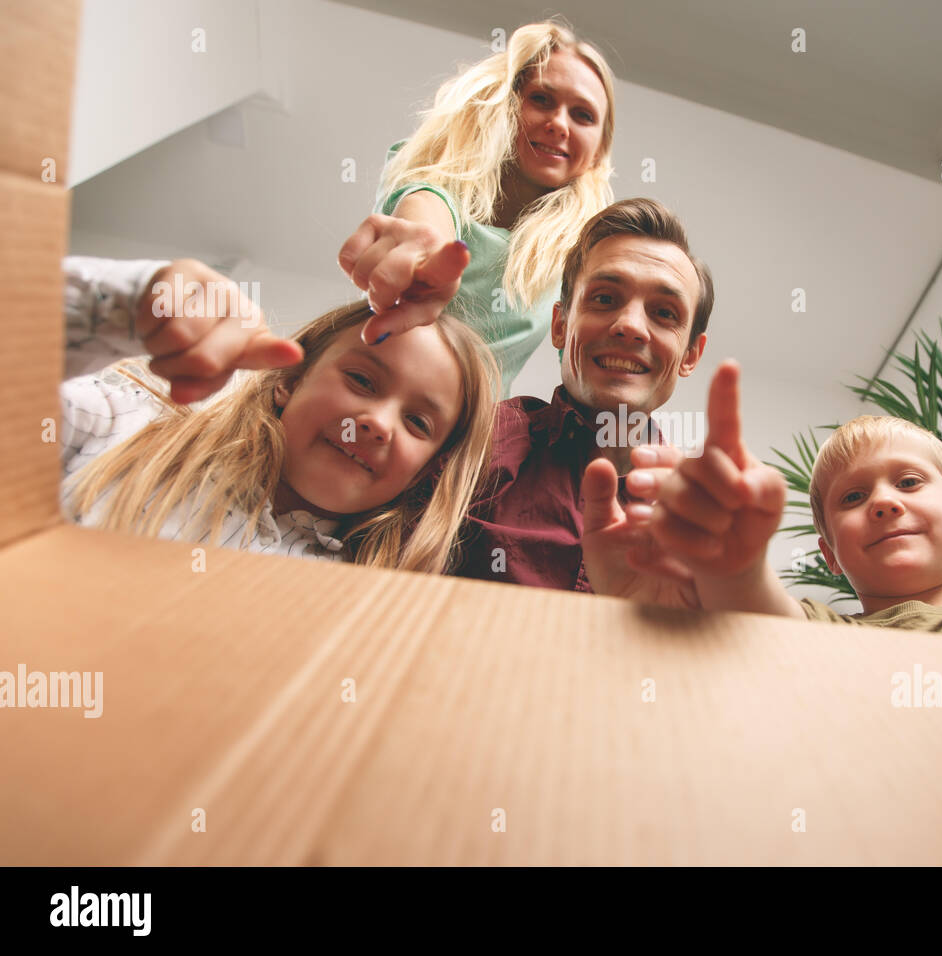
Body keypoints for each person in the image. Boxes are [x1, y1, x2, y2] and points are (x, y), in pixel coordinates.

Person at [60, 256, 498, 571]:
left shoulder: (364, 603)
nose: (378, 424)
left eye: (418, 423)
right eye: (362, 381)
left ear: (427, 470)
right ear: (289, 380)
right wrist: (125, 303)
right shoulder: (125, 425)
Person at [585, 361, 942, 641]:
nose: (883, 503)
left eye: (909, 482)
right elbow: (756, 604)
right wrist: (732, 567)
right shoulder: (818, 628)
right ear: (828, 554)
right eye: (853, 496)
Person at [337, 19, 617, 395]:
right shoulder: (429, 171)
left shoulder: (579, 257)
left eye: (582, 115)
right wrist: (426, 253)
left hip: (469, 439)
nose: (558, 124)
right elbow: (427, 206)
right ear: (507, 103)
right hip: (365, 388)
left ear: (599, 149)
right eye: (541, 99)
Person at [454, 197, 714, 596]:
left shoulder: (701, 518)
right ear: (560, 325)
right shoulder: (472, 440)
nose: (630, 327)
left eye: (664, 313)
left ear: (690, 355)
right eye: (605, 298)